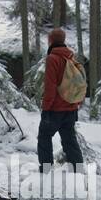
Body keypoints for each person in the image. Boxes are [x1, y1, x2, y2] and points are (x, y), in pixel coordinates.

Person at [38, 28, 83, 172]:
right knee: (70, 141)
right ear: (63, 40)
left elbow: (50, 87)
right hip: (71, 109)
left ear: (50, 40)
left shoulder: (52, 58)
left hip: (55, 110)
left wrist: (46, 108)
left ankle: (46, 171)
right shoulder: (71, 58)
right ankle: (78, 171)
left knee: (44, 137)